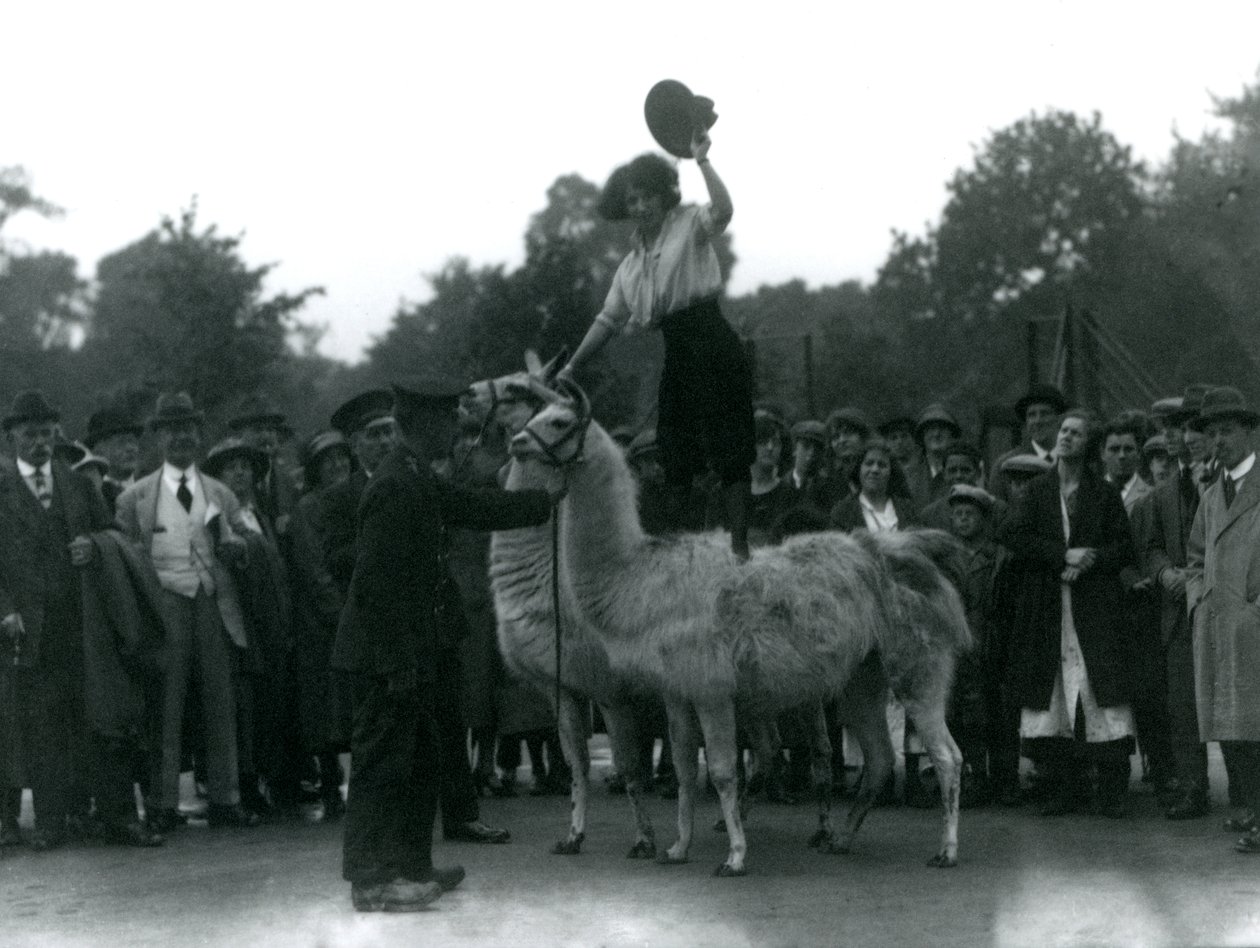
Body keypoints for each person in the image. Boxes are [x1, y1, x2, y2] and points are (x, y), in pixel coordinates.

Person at [331, 377, 560, 912]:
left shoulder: (412, 476)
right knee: (382, 764)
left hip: (413, 647)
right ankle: (371, 879)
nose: (456, 432)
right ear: (423, 425)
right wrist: (395, 663)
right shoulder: (394, 485)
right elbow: (375, 585)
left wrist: (541, 503)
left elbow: (469, 506)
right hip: (385, 653)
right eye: (447, 423)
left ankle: (411, 865)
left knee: (422, 759)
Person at [557, 131, 754, 559]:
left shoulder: (687, 224)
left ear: (663, 196)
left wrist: (702, 161)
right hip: (678, 351)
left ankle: (740, 548)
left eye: (648, 196)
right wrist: (571, 367)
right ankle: (688, 550)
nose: (641, 206)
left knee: (731, 445)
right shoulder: (630, 267)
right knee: (676, 450)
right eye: (632, 200)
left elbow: (723, 210)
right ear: (625, 208)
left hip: (713, 339)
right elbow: (608, 320)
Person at [115, 393, 260, 832]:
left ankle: (226, 798)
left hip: (212, 601)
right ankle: (162, 804)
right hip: (164, 605)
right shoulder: (136, 497)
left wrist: (236, 547)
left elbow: (243, 540)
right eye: (171, 428)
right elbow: (126, 556)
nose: (181, 436)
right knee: (167, 704)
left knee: (220, 701)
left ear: (200, 433)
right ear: (159, 436)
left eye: (188, 427)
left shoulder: (220, 492)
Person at [1002, 409, 1137, 818]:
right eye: (1064, 431)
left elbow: (1123, 550)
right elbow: (1012, 534)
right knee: (1056, 693)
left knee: (1099, 692)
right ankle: (1064, 787)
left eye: (1076, 434)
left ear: (1088, 444)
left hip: (1094, 607)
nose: (1066, 438)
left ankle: (1111, 789)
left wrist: (1090, 559)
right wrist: (1061, 554)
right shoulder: (1038, 490)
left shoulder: (1104, 493)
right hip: (1047, 606)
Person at [0, 391, 114, 849]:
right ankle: (47, 822)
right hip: (25, 630)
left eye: (46, 433)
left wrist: (93, 543)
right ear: (12, 438)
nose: (39, 443)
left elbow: (113, 533)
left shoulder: (78, 484)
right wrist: (4, 608)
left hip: (77, 623)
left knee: (83, 719)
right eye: (29, 434)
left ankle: (87, 814)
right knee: (36, 726)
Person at [1183, 387, 1260, 853]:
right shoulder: (1212, 496)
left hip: (1253, 626)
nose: (1220, 440)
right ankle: (1251, 808)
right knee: (1231, 728)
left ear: (1251, 432)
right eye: (1213, 432)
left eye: (1229, 430)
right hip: (1216, 626)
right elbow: (1195, 556)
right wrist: (1199, 599)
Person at [204, 436, 295, 819]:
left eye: (246, 466)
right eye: (230, 467)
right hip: (237, 619)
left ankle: (276, 780)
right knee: (242, 706)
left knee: (270, 702)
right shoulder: (215, 514)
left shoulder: (263, 513)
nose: (240, 473)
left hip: (269, 620)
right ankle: (244, 782)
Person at [1142, 391, 1210, 820]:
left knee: (1238, 702)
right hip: (1178, 613)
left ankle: (1247, 795)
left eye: (1191, 428)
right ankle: (1192, 788)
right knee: (1183, 706)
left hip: (1223, 605)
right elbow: (1150, 546)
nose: (1183, 437)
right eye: (1177, 428)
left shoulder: (1229, 481)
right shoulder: (1163, 492)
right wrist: (1165, 572)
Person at [288, 429, 356, 820]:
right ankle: (331, 789)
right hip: (321, 622)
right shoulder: (307, 508)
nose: (337, 464)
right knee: (325, 710)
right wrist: (340, 610)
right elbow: (313, 569)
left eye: (341, 456)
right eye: (327, 459)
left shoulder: (356, 499)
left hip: (352, 612)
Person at [945, 484, 1010, 807]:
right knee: (955, 714)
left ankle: (990, 778)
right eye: (957, 514)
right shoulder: (946, 556)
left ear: (983, 518)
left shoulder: (996, 555)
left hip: (987, 643)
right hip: (954, 644)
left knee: (986, 715)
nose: (963, 520)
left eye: (970, 514)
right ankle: (965, 777)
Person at [989, 384, 1068, 502]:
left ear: (1059, 419)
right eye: (1031, 415)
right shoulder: (1006, 465)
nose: (1038, 421)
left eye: (1045, 413)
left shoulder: (1071, 459)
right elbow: (997, 514)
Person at [83, 406, 144, 512]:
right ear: (98, 450)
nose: (130, 448)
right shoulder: (90, 493)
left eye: (133, 441)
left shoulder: (151, 486)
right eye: (121, 442)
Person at [912, 403, 962, 505]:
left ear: (952, 435)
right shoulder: (910, 473)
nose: (936, 434)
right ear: (922, 435)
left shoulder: (962, 471)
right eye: (931, 429)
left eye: (942, 429)